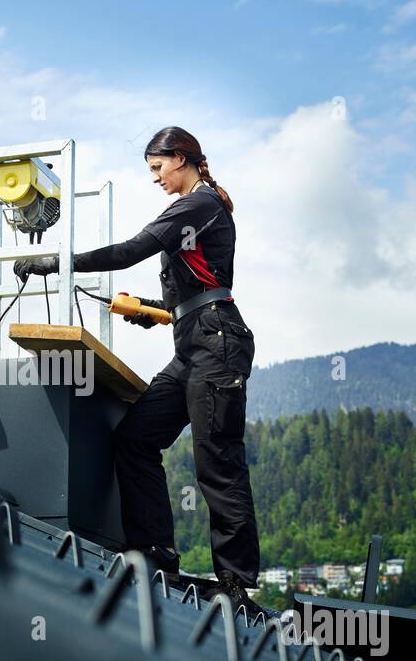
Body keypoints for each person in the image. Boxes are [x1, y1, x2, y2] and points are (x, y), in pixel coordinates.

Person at [15, 126, 275, 620]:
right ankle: (156, 555)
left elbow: (133, 248)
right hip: (194, 343)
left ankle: (238, 589)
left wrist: (59, 263)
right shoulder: (197, 207)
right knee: (135, 438)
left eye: (157, 168)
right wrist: (151, 309)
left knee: (217, 461)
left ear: (180, 159)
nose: (154, 179)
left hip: (216, 345)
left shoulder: (198, 204)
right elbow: (196, 292)